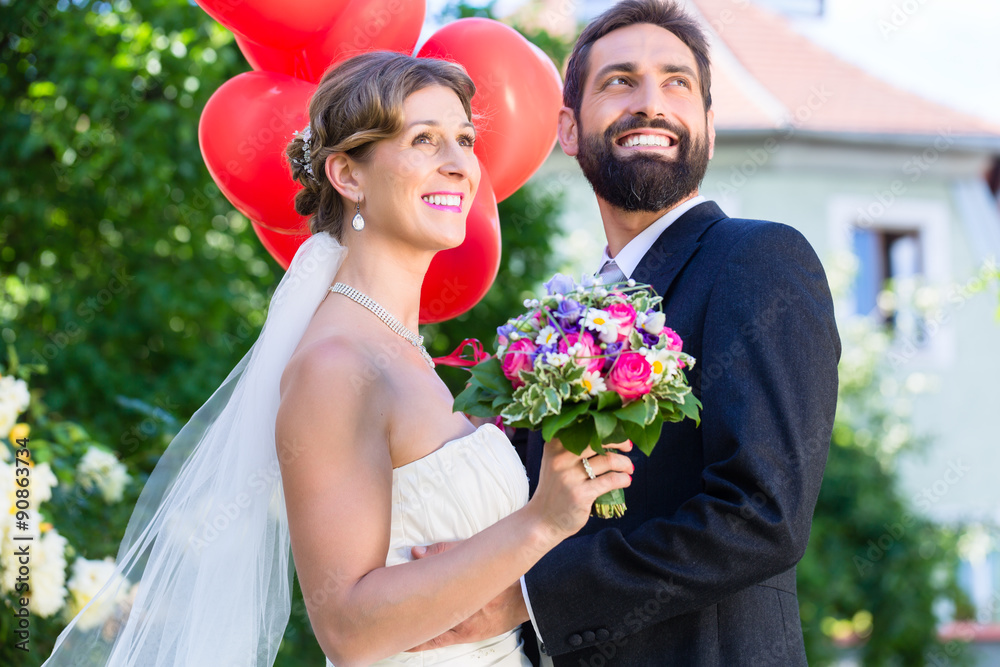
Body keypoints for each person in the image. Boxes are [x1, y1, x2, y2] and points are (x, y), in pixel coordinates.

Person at [42, 52, 632, 667]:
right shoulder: (335, 365)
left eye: (463, 139)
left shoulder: (402, 351)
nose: (459, 166)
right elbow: (348, 631)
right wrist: (542, 522)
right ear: (348, 176)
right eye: (424, 140)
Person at [411, 2, 842, 665]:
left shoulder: (756, 261)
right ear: (568, 129)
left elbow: (761, 513)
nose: (651, 103)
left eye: (677, 83)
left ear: (707, 126)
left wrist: (527, 597)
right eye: (619, 82)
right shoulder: (560, 325)